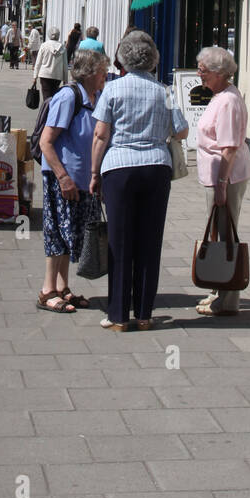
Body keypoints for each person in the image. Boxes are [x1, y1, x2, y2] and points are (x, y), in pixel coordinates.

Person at [90, 30, 187, 331]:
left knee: (119, 241)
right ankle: (144, 313)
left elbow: (101, 134)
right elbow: (182, 130)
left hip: (119, 168)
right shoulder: (165, 92)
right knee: (149, 240)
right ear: (153, 59)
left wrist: (94, 174)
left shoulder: (113, 90)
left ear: (123, 58)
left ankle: (118, 314)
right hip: (156, 167)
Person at [38, 49, 109, 314]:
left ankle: (63, 287)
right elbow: (46, 142)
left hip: (82, 181)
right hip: (62, 178)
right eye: (102, 71)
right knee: (57, 232)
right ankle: (47, 291)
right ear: (90, 73)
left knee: (72, 234)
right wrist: (63, 177)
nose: (105, 75)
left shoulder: (97, 96)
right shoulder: (68, 96)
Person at [193, 46, 250, 317]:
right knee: (219, 234)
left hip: (225, 177)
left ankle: (228, 299)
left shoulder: (228, 100)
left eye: (203, 70)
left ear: (218, 73)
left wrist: (221, 184)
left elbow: (228, 147)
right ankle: (218, 289)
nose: (199, 74)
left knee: (226, 235)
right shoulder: (221, 95)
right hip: (216, 176)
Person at [31, 26, 68, 101]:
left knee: (46, 96)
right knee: (54, 96)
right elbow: (65, 65)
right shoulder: (62, 47)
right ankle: (52, 111)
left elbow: (38, 62)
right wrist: (65, 79)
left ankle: (46, 110)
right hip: (57, 75)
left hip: (44, 74)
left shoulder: (44, 45)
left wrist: (35, 76)